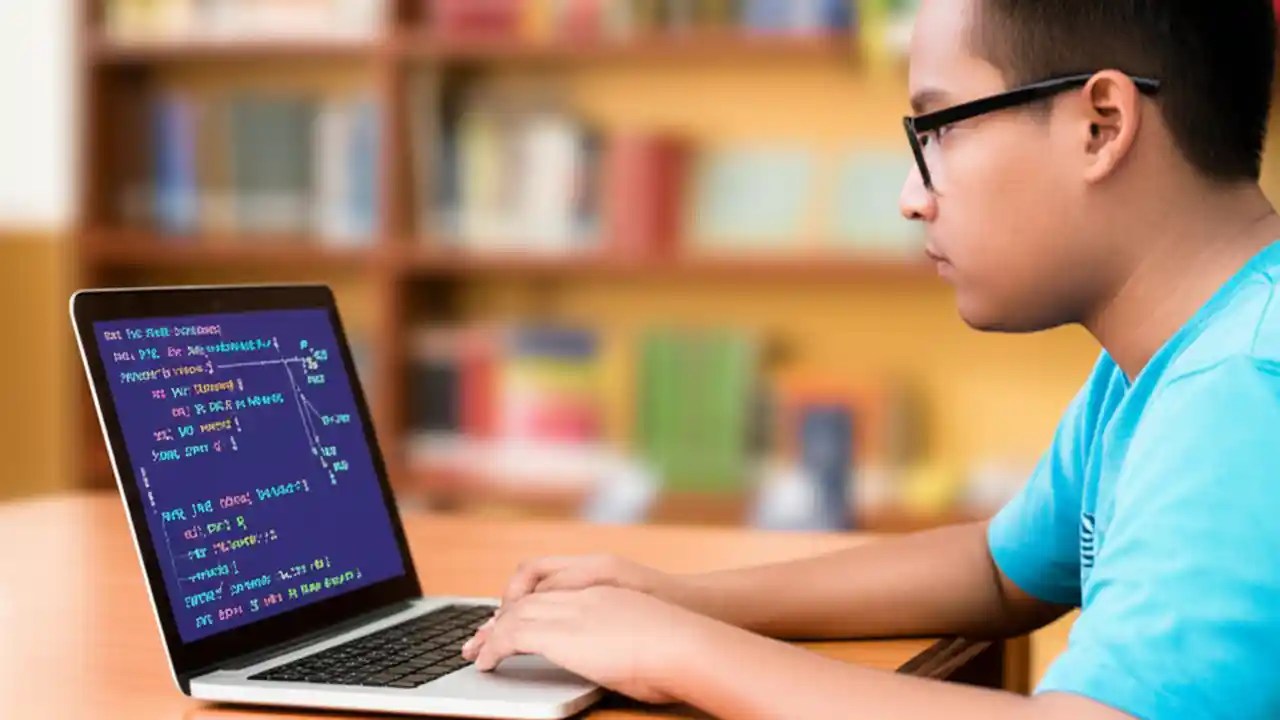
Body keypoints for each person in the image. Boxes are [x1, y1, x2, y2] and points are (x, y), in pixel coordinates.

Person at [461, 1, 1280, 716]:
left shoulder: (1241, 390)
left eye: (940, 126)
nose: (911, 195)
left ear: (1101, 123)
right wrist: (688, 602)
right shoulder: (1173, 359)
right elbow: (1000, 570)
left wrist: (676, 652)